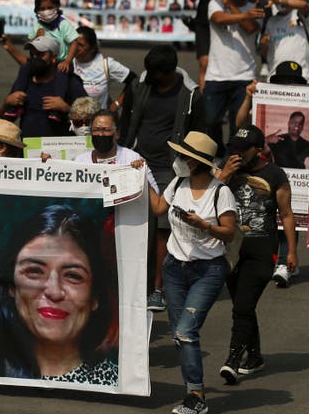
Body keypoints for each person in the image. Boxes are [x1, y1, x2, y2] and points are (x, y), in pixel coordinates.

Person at [144, 131, 238, 414]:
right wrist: (142, 176)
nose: (178, 160)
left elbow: (229, 233)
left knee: (186, 331)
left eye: (183, 156)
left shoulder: (221, 192)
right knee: (178, 335)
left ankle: (196, 398)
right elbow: (158, 208)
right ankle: (192, 393)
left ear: (196, 162)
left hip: (207, 271)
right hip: (174, 269)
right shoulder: (177, 183)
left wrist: (203, 225)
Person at [0, 202, 118, 384]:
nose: (54, 292)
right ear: (11, 286)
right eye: (34, 271)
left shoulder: (114, 381)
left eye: (73, 276)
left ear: (95, 297)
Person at [117, 46, 204, 312]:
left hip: (169, 167)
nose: (150, 77)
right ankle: (128, 283)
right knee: (128, 221)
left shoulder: (190, 95)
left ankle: (157, 289)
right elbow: (126, 122)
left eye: (156, 73)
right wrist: (122, 153)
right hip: (136, 162)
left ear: (169, 72)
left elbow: (198, 132)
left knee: (162, 229)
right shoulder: (140, 87)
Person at [214, 125, 295, 384]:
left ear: (258, 150)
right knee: (243, 305)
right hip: (232, 249)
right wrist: (225, 174)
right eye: (234, 149)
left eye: (243, 150)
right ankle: (255, 356)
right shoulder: (226, 169)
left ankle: (233, 359)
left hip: (262, 248)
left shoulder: (274, 174)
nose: (237, 154)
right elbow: (207, 197)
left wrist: (291, 252)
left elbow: (286, 214)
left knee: (243, 306)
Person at [204, 0, 264, 143]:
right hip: (216, 76)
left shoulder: (255, 7)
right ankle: (217, 152)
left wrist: (231, 5)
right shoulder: (216, 2)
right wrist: (242, 14)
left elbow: (250, 27)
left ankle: (232, 154)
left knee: (238, 126)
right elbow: (218, 18)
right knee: (210, 121)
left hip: (245, 77)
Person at [2, 36, 87, 138]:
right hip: (28, 146)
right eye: (32, 54)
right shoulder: (24, 82)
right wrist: (7, 102)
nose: (35, 58)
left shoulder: (69, 82)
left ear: (53, 57)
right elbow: (5, 117)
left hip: (59, 146)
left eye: (40, 54)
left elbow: (90, 117)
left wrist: (67, 108)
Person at [259, 0, 309, 83]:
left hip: (302, 77)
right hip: (275, 77)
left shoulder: (300, 15)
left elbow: (303, 5)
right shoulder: (271, 21)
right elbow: (265, 54)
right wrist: (263, 45)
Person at [71, 26, 131, 110]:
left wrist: (116, 104)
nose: (75, 48)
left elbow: (134, 82)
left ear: (92, 48)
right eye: (74, 44)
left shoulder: (106, 64)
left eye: (80, 45)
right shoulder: (67, 63)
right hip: (73, 118)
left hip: (99, 117)